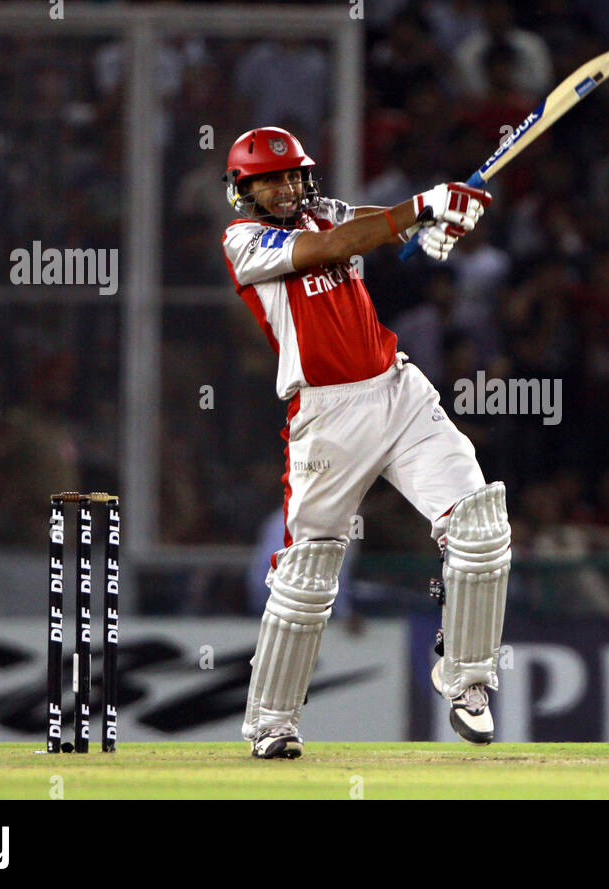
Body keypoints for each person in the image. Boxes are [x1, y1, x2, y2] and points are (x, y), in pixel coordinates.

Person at [220, 127, 508, 758]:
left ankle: (466, 678)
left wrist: (447, 215)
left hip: (397, 390)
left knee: (480, 525)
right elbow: (339, 245)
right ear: (245, 190)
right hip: (326, 417)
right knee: (307, 575)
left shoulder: (325, 211)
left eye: (294, 175)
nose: (287, 187)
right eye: (271, 179)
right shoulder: (244, 242)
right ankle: (271, 724)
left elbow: (374, 224)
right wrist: (422, 206)